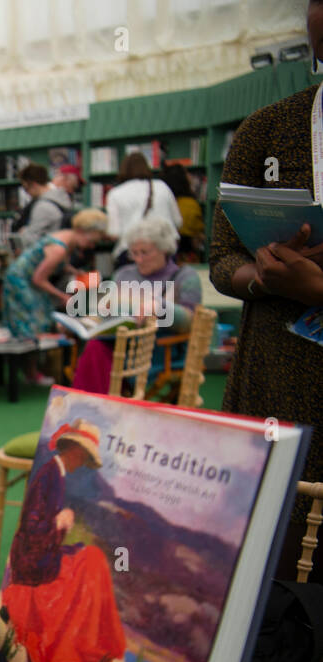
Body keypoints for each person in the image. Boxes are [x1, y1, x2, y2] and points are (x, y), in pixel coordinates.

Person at [210, 0, 323, 582]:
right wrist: (263, 276)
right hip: (276, 381)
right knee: (271, 560)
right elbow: (221, 257)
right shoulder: (266, 130)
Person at [0, 420, 125, 662]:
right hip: (33, 561)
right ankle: (78, 651)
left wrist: (59, 524)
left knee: (91, 558)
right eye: (83, 456)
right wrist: (58, 523)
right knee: (91, 563)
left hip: (40, 552)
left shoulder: (54, 473)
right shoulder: (49, 474)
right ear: (75, 451)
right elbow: (32, 528)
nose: (83, 462)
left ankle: (87, 647)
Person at [71, 217, 202, 395]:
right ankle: (91, 407)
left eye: (145, 252)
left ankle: (96, 408)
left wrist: (158, 307)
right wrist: (89, 321)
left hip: (160, 351)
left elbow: (192, 321)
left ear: (164, 249)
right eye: (134, 253)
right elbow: (105, 310)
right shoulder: (124, 274)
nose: (138, 259)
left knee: (98, 353)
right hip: (120, 345)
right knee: (96, 347)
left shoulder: (185, 276)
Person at [3, 209, 111, 384]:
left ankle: (34, 370)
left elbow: (57, 265)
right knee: (32, 323)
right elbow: (39, 278)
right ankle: (31, 373)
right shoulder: (59, 249)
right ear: (82, 232)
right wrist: (62, 296)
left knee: (40, 319)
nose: (92, 246)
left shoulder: (67, 237)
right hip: (21, 282)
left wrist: (75, 272)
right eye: (91, 241)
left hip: (28, 279)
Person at [106, 152, 182, 268]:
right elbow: (178, 222)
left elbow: (114, 232)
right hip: (164, 251)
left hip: (132, 254)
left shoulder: (115, 194)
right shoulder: (162, 186)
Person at [14, 163, 72, 249]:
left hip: (48, 253)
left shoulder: (43, 206)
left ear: (33, 185)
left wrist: (24, 232)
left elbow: (31, 240)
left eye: (25, 188)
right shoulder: (62, 198)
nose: (27, 193)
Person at [162, 163, 205, 263]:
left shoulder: (163, 202)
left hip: (165, 257)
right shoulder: (191, 204)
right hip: (186, 258)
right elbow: (197, 236)